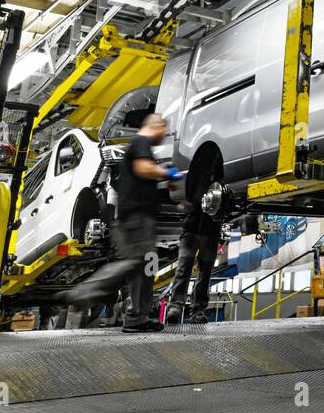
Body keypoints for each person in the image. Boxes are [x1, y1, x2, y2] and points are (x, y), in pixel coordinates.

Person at [63, 114, 179, 332]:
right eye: (163, 130)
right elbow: (143, 169)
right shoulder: (141, 142)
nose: (164, 135)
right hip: (135, 219)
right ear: (156, 126)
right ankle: (82, 294)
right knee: (134, 264)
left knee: (143, 268)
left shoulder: (139, 146)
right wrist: (167, 173)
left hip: (137, 218)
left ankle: (137, 319)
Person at [165, 201, 221, 325]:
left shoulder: (219, 184)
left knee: (205, 273)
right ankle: (175, 306)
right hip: (191, 230)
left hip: (211, 232)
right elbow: (181, 199)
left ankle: (198, 310)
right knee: (183, 268)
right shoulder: (194, 182)